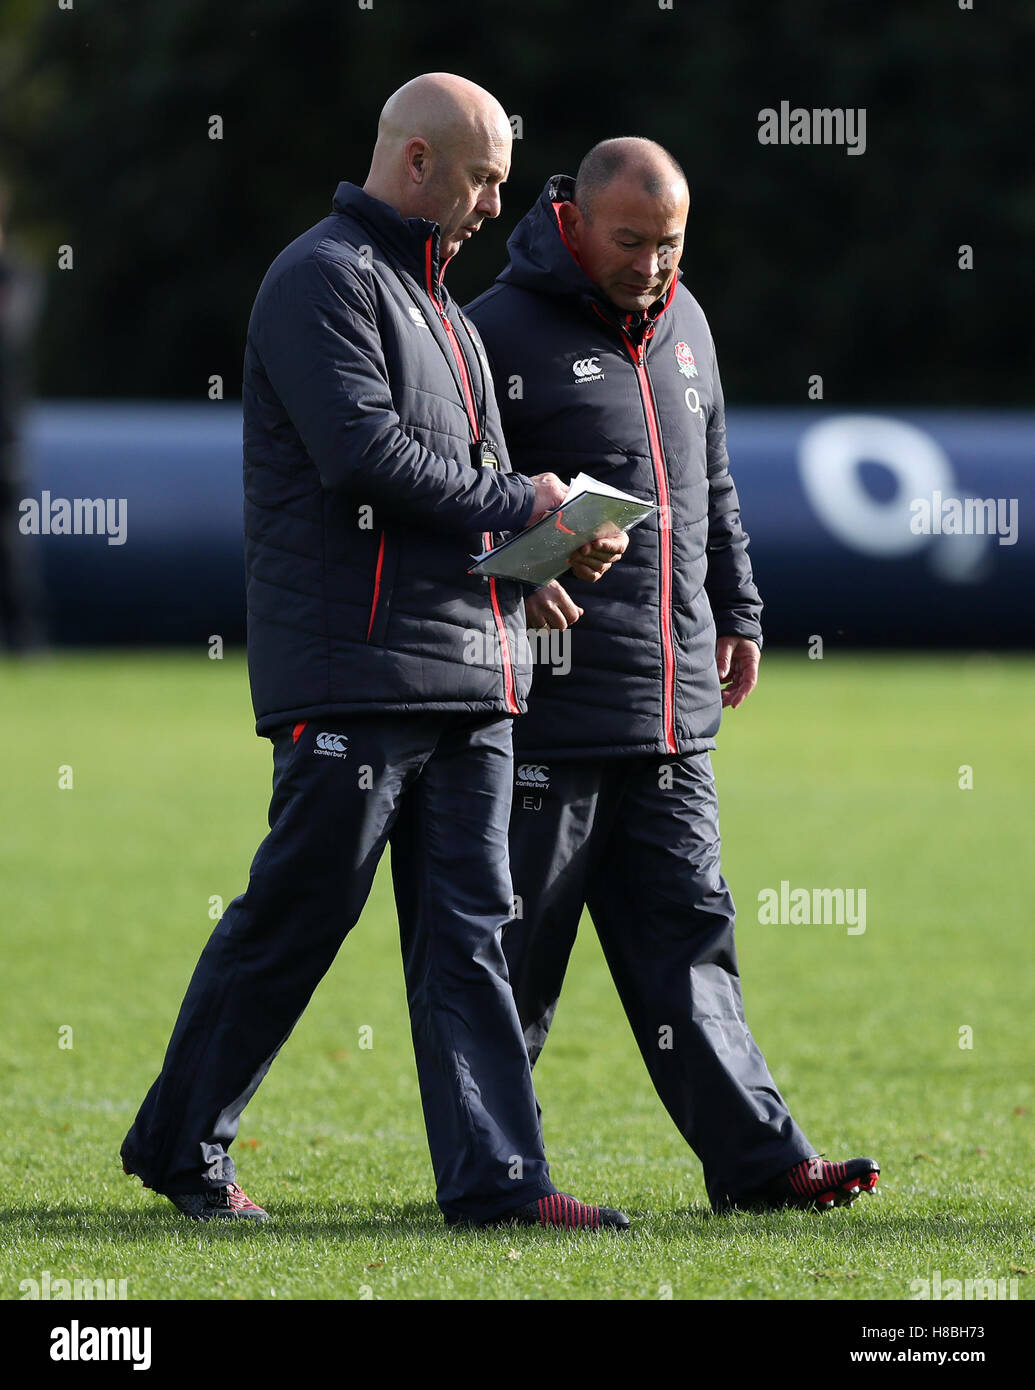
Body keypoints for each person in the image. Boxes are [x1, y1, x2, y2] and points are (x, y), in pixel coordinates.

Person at [120, 76, 630, 1231]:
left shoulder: (442, 303)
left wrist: (535, 562)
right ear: (415, 163)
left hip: (471, 667)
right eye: (485, 176)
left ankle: (500, 1184)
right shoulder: (321, 278)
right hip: (355, 667)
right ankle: (180, 1145)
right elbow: (367, 461)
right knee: (300, 912)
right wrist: (525, 495)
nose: (496, 203)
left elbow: (461, 499)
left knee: (474, 934)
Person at [466, 138, 880, 1213]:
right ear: (573, 222)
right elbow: (458, 496)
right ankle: (501, 1179)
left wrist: (737, 611)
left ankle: (761, 1168)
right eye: (634, 241)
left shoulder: (687, 326)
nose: (656, 264)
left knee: (694, 949)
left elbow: (716, 486)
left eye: (673, 243)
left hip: (673, 711)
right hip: (547, 708)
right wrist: (512, 571)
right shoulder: (493, 329)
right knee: (516, 966)